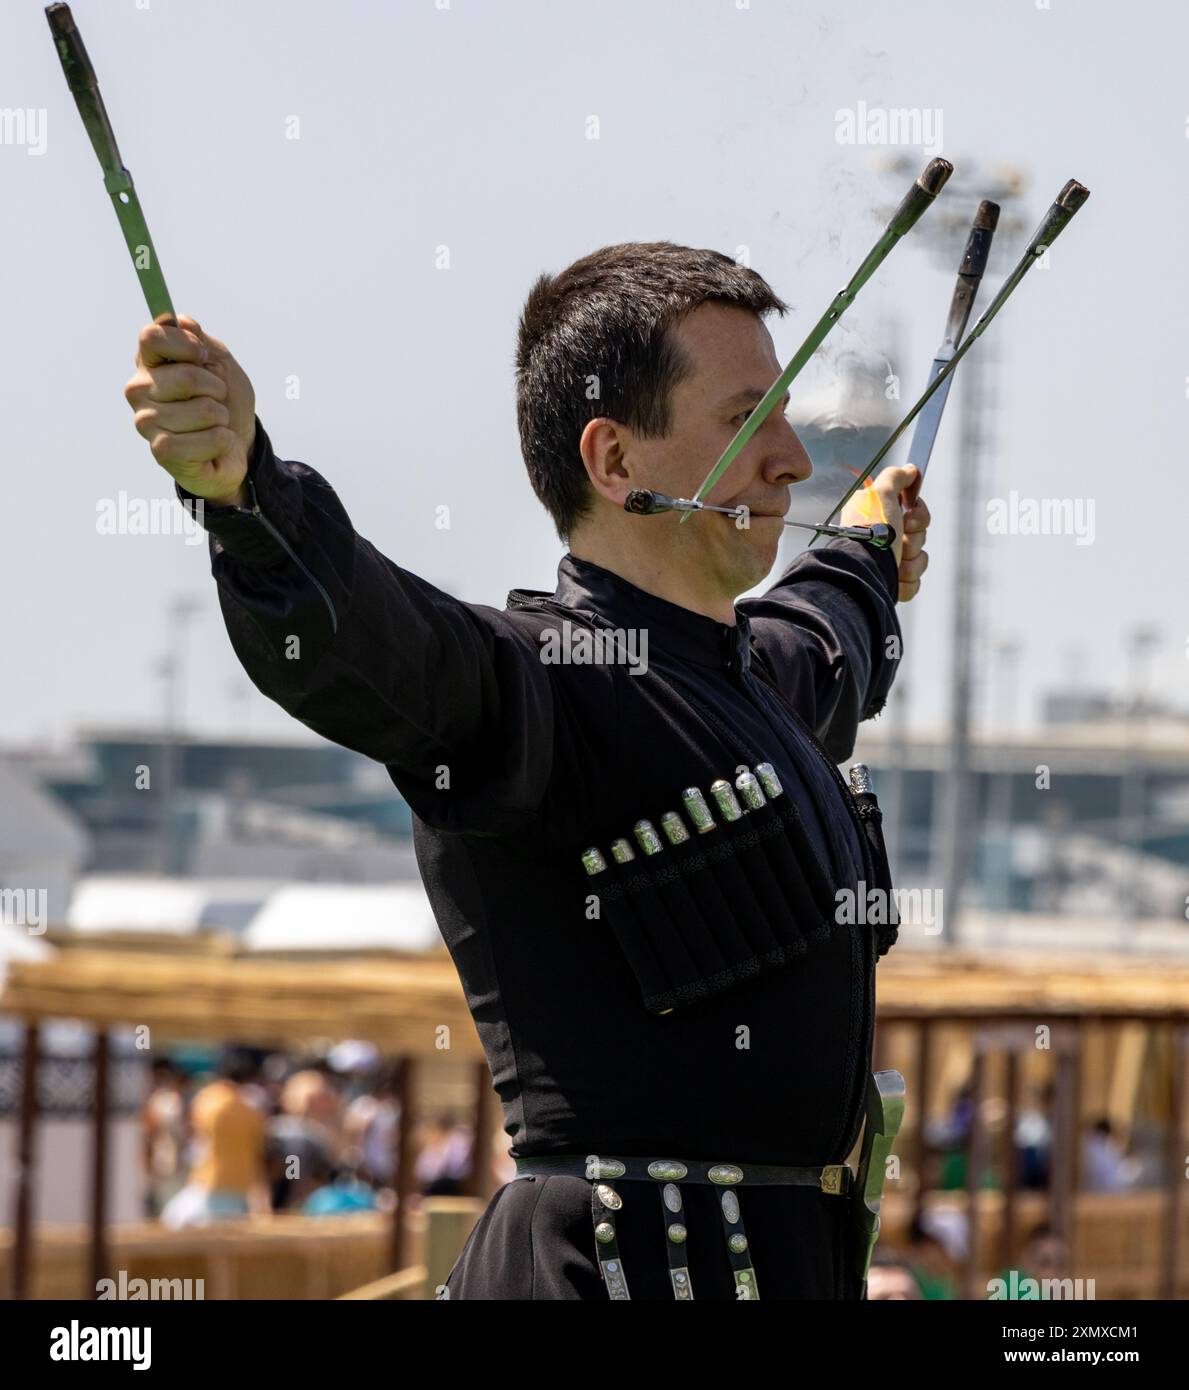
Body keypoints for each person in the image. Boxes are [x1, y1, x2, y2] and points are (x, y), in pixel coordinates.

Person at [124, 242, 931, 1300]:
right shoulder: (537, 684)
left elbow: (828, 628)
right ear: (615, 462)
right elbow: (377, 643)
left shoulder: (761, 684)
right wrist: (245, 499)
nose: (787, 458)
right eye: (746, 420)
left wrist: (870, 548)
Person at [160, 1050, 269, 1228]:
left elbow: (196, 1136)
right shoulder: (250, 1111)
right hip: (238, 1188)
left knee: (172, 1223)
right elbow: (258, 1153)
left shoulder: (208, 1098)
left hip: (207, 1183)